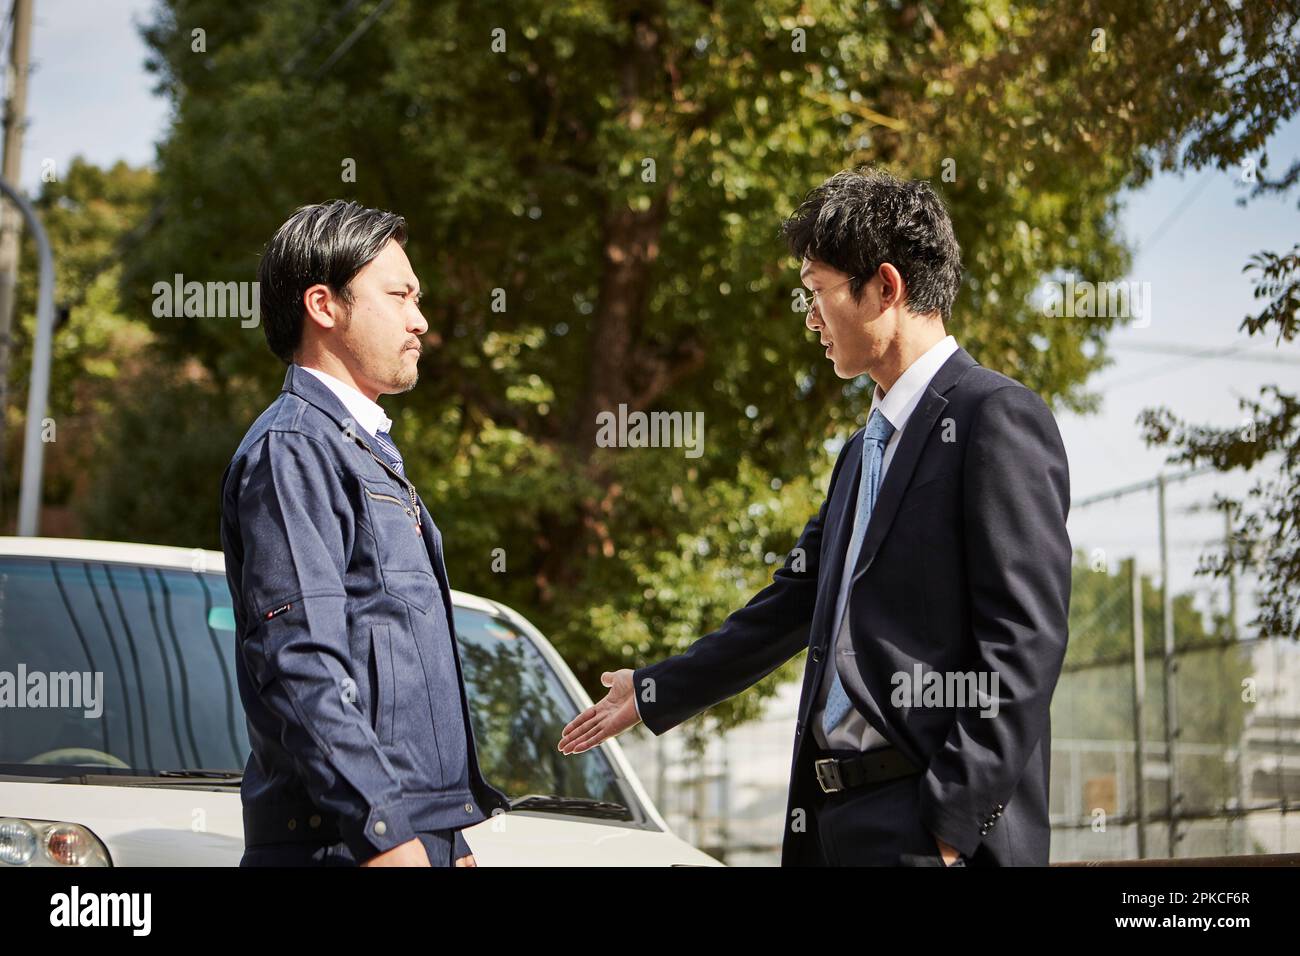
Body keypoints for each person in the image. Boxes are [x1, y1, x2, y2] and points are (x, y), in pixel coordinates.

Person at [558, 168, 1072, 866]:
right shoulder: (861, 453)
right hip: (833, 822)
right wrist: (656, 689)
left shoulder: (995, 417)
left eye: (817, 293)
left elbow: (1025, 641)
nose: (808, 318)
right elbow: (790, 604)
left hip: (926, 827)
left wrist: (951, 824)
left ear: (885, 287)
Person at [220, 199, 509, 866]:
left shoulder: (358, 448)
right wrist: (387, 835)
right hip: (345, 845)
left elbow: (390, 665)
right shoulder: (293, 449)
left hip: (404, 837)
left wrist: (447, 838)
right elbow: (300, 662)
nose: (420, 320)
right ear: (325, 306)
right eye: (400, 295)